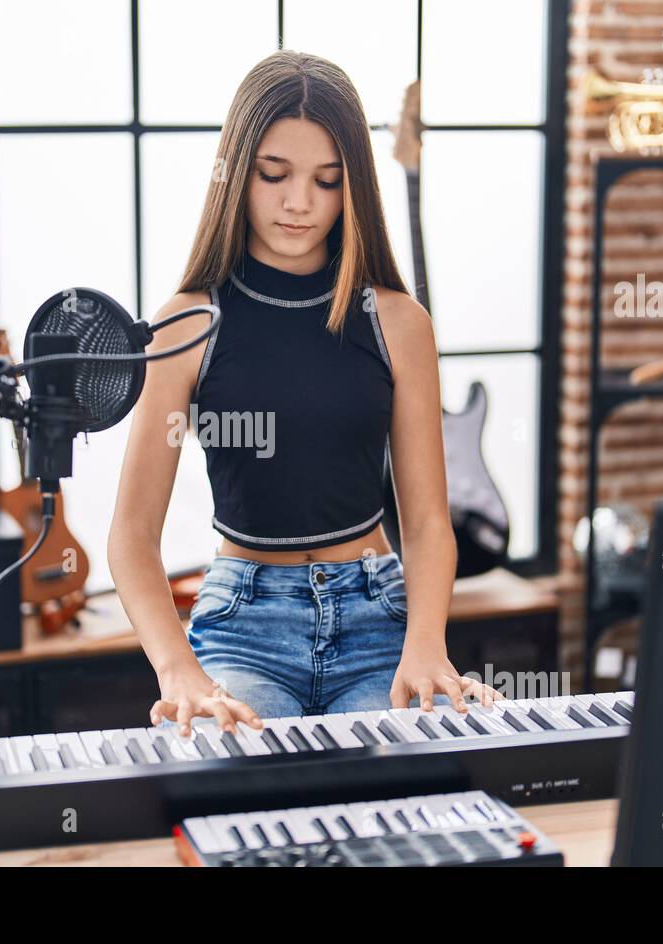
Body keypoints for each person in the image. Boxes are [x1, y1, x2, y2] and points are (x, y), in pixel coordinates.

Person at [107, 50, 493, 740]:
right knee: (235, 785)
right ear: (236, 174)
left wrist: (427, 644)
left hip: (379, 620)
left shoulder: (399, 323)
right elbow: (132, 537)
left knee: (409, 794)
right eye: (274, 175)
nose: (298, 203)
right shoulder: (185, 324)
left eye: (326, 180)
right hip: (244, 626)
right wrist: (178, 670)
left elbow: (430, 524)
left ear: (354, 188)